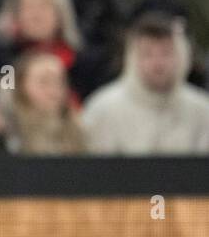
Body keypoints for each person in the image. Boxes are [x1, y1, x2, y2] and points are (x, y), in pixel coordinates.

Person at [81, 12, 209, 154]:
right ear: (132, 58)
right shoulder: (102, 110)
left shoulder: (202, 112)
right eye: (147, 54)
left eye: (166, 53)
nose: (158, 63)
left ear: (182, 56)